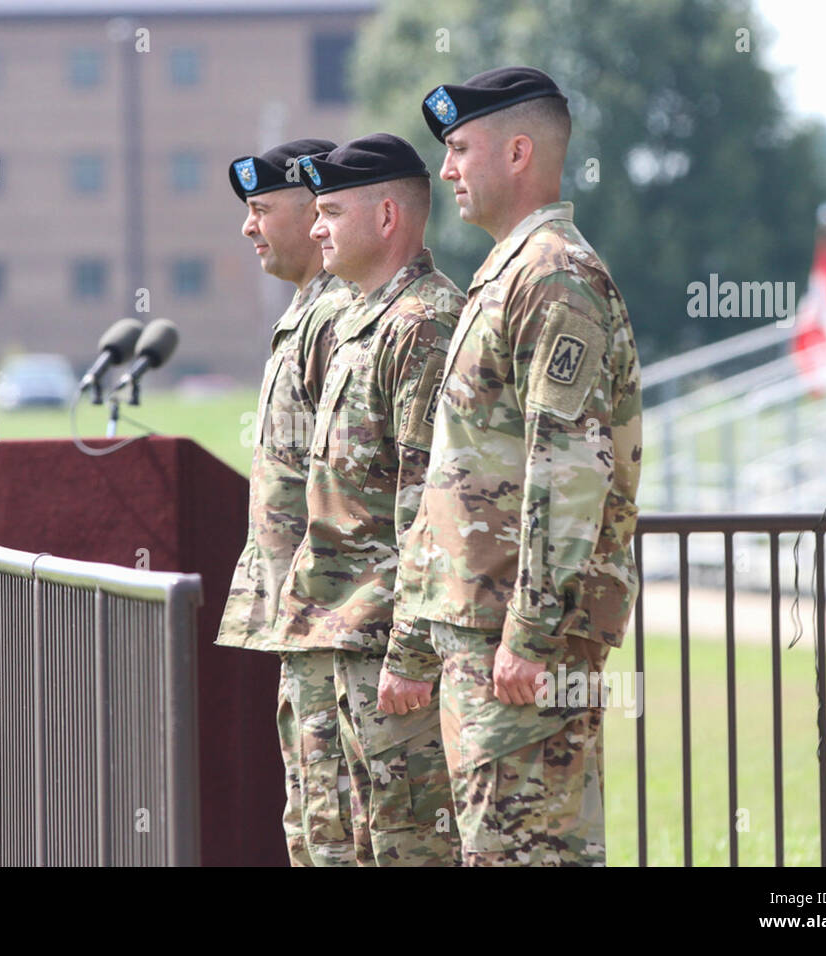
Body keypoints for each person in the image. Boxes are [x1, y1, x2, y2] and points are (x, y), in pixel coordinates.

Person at [385, 66, 643, 866]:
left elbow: (567, 469)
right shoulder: (507, 272)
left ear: (519, 151)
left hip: (520, 645)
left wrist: (530, 635)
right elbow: (459, 476)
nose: (449, 169)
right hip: (480, 633)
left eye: (461, 149)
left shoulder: (553, 276)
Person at [273, 133, 464, 866]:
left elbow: (428, 506)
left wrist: (414, 651)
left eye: (330, 211)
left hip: (390, 649)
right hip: (338, 635)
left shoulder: (423, 323)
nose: (315, 228)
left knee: (406, 848)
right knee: (338, 846)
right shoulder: (356, 318)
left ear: (387, 216)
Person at [215, 138, 358, 867]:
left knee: (339, 833)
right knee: (311, 828)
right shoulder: (310, 310)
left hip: (342, 623)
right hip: (306, 622)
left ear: (312, 214)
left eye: (262, 209)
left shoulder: (341, 316)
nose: (248, 227)